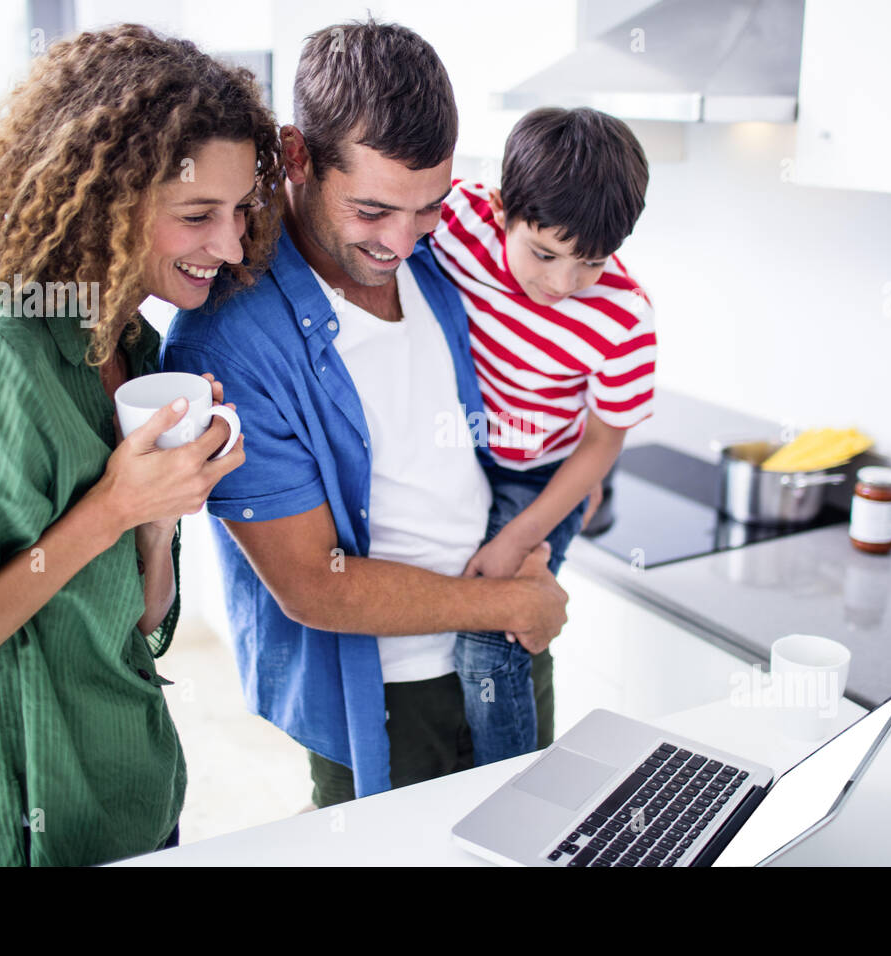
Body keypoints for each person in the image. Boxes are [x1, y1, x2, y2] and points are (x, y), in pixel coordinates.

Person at [0, 23, 279, 865]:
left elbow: (142, 625)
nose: (228, 247)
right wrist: (111, 509)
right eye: (197, 216)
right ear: (111, 201)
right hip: (12, 841)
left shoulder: (137, 351)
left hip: (141, 806)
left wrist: (161, 512)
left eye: (238, 212)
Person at [162, 19, 567, 807]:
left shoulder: (445, 256)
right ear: (299, 156)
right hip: (385, 692)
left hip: (506, 642)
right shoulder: (226, 340)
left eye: (428, 210)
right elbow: (314, 585)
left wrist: (528, 545)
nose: (403, 241)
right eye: (374, 211)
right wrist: (507, 599)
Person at [428, 107, 656, 764]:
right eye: (544, 253)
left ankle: (512, 791)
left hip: (541, 479)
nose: (562, 285)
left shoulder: (626, 318)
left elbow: (602, 443)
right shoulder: (458, 222)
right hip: (460, 454)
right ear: (502, 208)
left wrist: (517, 540)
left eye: (590, 263)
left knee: (492, 640)